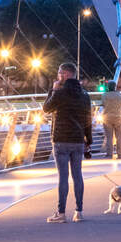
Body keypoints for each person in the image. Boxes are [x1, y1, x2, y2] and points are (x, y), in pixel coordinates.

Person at [42, 62, 94, 222]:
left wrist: (53, 90)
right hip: (78, 140)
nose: (58, 76)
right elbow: (88, 119)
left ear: (65, 74)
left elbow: (46, 108)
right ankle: (79, 212)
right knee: (78, 176)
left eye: (59, 73)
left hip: (61, 140)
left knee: (63, 177)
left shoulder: (60, 92)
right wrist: (88, 140)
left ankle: (61, 213)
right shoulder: (85, 95)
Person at [101, 72, 121, 161]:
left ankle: (109, 154)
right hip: (118, 118)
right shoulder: (119, 96)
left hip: (107, 117)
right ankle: (119, 155)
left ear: (108, 87)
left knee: (109, 137)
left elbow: (103, 104)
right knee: (119, 137)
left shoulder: (104, 95)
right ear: (115, 87)